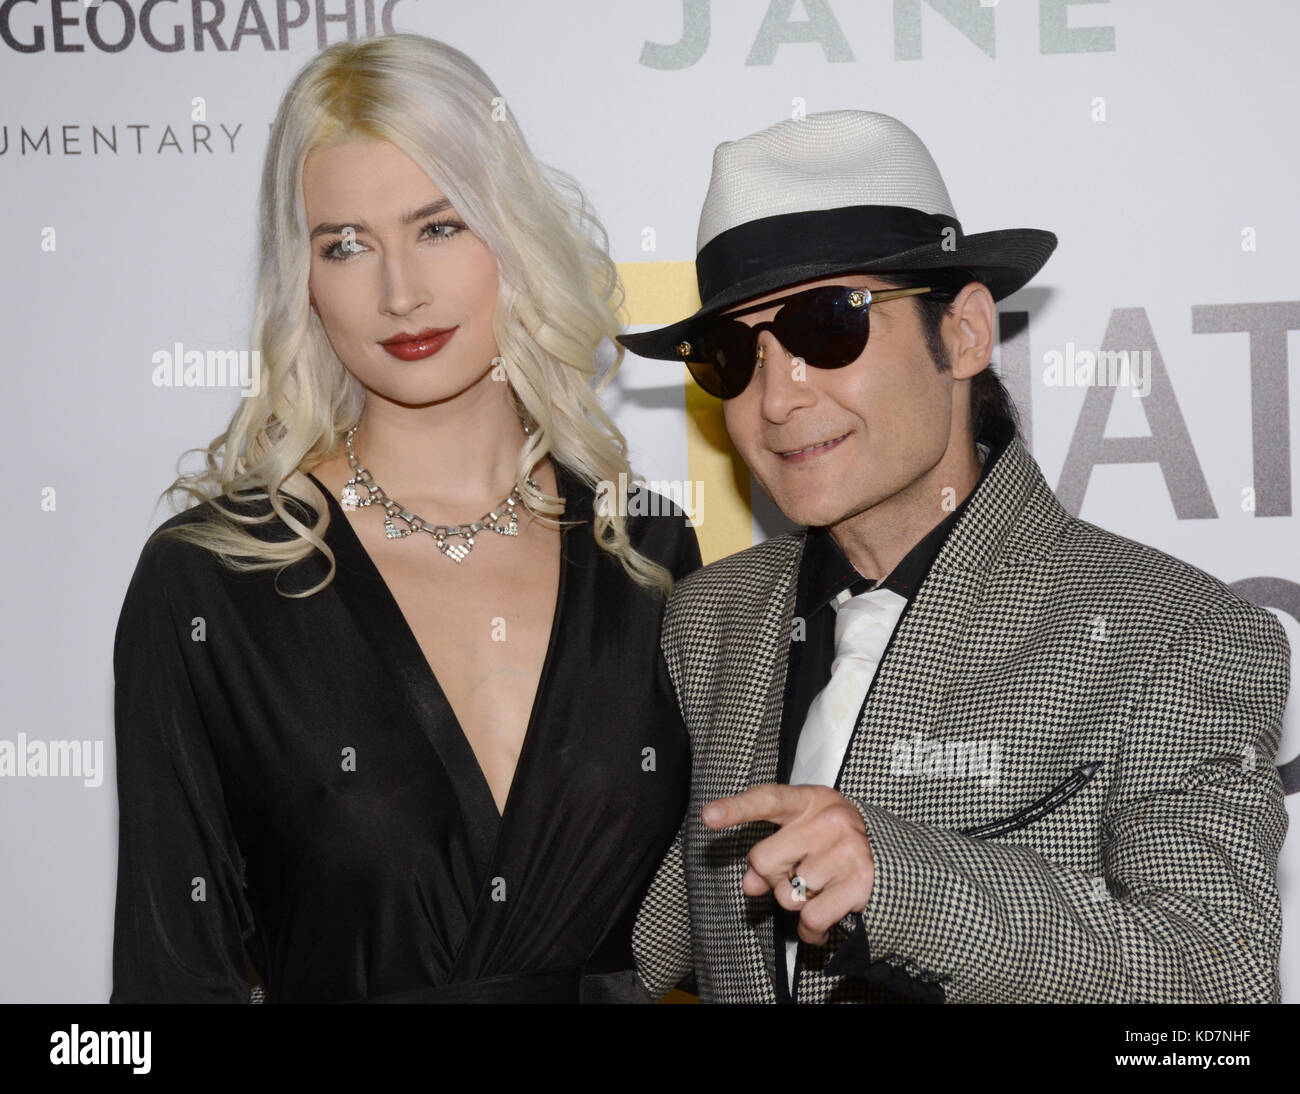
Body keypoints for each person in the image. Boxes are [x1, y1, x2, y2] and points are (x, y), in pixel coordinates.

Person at [623, 110, 1290, 1003]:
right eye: (733, 352)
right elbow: (644, 934)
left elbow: (1214, 983)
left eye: (830, 325)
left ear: (966, 333)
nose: (777, 398)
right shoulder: (707, 621)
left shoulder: (1175, 633)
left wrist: (905, 883)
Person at [110, 33, 699, 1004]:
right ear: (302, 280)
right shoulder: (214, 584)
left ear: (507, 230)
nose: (398, 292)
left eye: (438, 226)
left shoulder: (646, 549)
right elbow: (172, 981)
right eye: (345, 244)